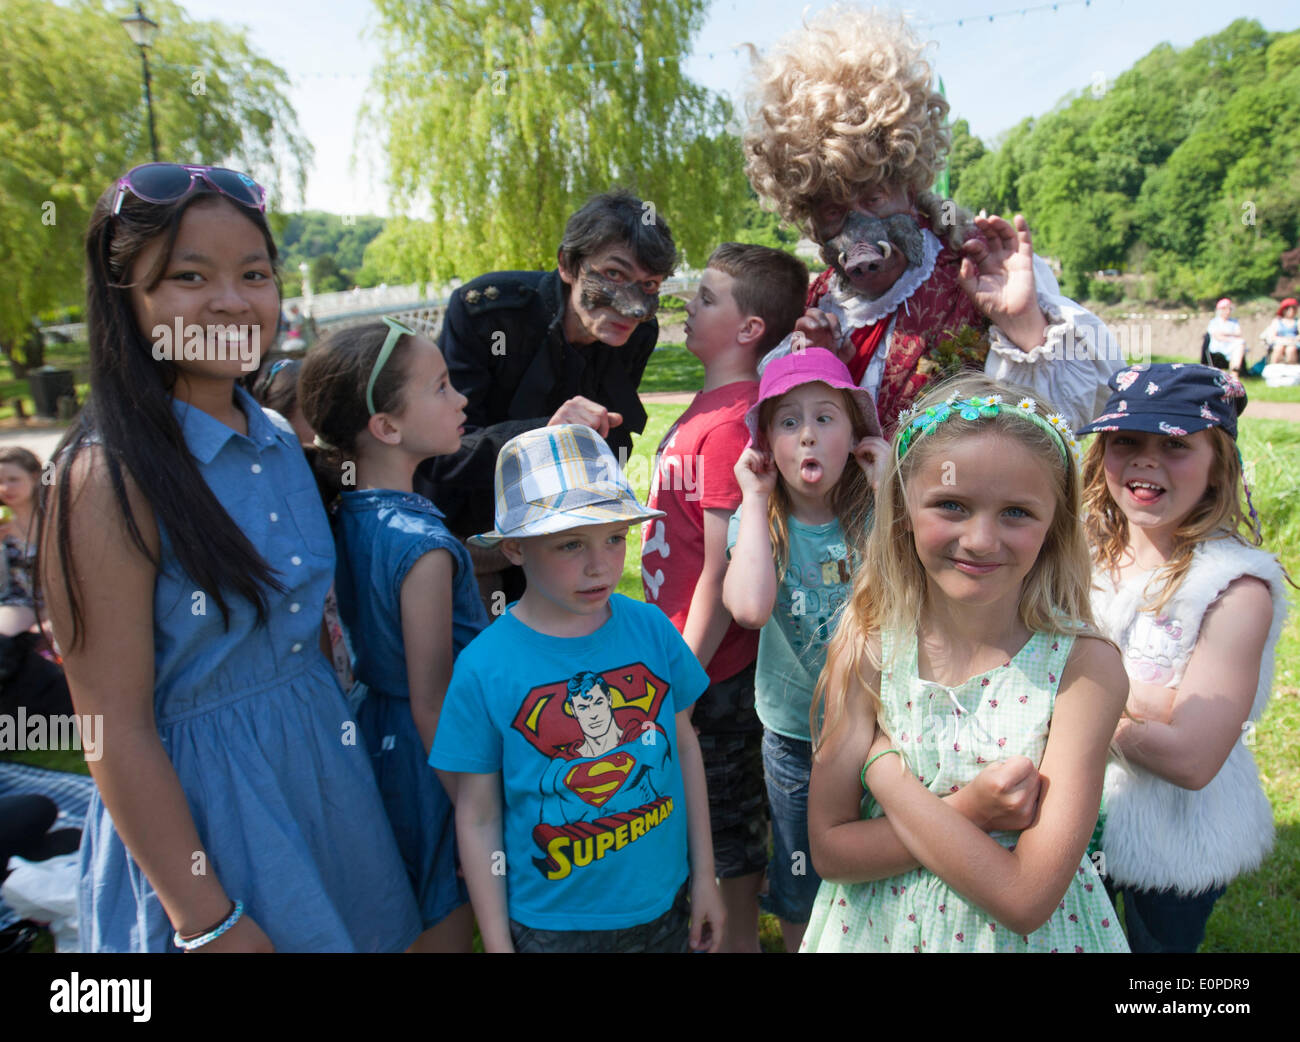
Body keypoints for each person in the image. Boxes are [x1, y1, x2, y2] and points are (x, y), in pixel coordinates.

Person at [38, 162, 421, 952]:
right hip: (202, 820)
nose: (231, 299)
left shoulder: (278, 437)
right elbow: (112, 725)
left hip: (324, 779)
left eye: (255, 273)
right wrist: (206, 920)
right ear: (126, 296)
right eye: (188, 276)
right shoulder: (105, 477)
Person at [802, 373, 1130, 952]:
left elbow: (1026, 898)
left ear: (1055, 524)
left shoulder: (1083, 670)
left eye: (1016, 513)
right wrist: (969, 810)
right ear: (903, 509)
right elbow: (828, 850)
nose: (980, 540)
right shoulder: (869, 648)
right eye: (951, 505)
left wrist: (886, 772)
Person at [742, 6, 1122, 436]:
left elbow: (1080, 415)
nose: (859, 234)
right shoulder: (819, 307)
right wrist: (821, 367)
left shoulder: (985, 269)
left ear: (910, 185)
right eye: (834, 210)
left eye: (874, 197)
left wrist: (1024, 327)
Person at [430, 424, 724, 953]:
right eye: (571, 544)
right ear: (515, 548)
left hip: (665, 905)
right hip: (551, 927)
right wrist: (497, 943)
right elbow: (476, 815)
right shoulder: (484, 666)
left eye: (615, 538)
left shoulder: (651, 629)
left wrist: (705, 876)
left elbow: (684, 746)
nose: (600, 565)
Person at [1077, 362, 1291, 953]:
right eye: (1127, 442)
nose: (1147, 461)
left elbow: (1193, 758)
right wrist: (1154, 703)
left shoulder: (1235, 589)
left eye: (1175, 445)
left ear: (1218, 465)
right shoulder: (1075, 555)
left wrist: (1068, 695)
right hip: (1066, 810)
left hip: (1173, 836)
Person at [298, 319, 489, 952]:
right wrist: (477, 816)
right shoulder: (423, 548)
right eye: (440, 387)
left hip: (374, 736)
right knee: (443, 918)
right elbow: (432, 698)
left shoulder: (347, 514)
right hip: (433, 759)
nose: (461, 399)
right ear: (386, 427)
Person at [640, 242, 808, 951]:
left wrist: (679, 681)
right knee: (697, 831)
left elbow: (719, 566)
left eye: (707, 298)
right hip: (682, 662)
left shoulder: (733, 422)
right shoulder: (702, 409)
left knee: (728, 845)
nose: (687, 305)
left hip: (710, 675)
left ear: (750, 330)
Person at [413, 190, 676, 598]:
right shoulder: (489, 315)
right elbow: (442, 455)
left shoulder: (637, 334)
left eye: (650, 285)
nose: (636, 308)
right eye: (614, 275)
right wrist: (545, 434)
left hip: (557, 543)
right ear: (569, 264)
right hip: (463, 538)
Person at [722, 345, 887, 952]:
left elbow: (917, 589)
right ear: (767, 443)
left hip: (883, 729)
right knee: (802, 873)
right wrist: (756, 497)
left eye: (826, 418)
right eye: (788, 422)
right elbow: (748, 608)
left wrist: (890, 490)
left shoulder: (878, 509)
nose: (808, 437)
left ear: (856, 433)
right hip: (797, 737)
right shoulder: (760, 520)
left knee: (885, 864)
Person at [1205, 298, 1248, 372]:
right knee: (1239, 344)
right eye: (1225, 309)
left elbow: (1239, 333)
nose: (1228, 311)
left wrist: (1224, 333)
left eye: (1229, 309)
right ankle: (1234, 371)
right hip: (1219, 346)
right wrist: (1232, 338)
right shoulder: (1214, 322)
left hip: (1233, 345)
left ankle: (1234, 370)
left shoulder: (1234, 322)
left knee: (1239, 345)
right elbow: (1217, 336)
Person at [1260, 298, 1298, 365]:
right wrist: (1284, 340)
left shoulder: (1297, 322)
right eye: (1289, 308)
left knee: (1291, 349)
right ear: (1284, 310)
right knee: (1278, 348)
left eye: (1294, 308)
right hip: (1279, 342)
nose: (1292, 311)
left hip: (1293, 342)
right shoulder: (1277, 321)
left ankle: (1292, 370)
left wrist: (1293, 339)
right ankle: (1274, 368)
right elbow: (1272, 336)